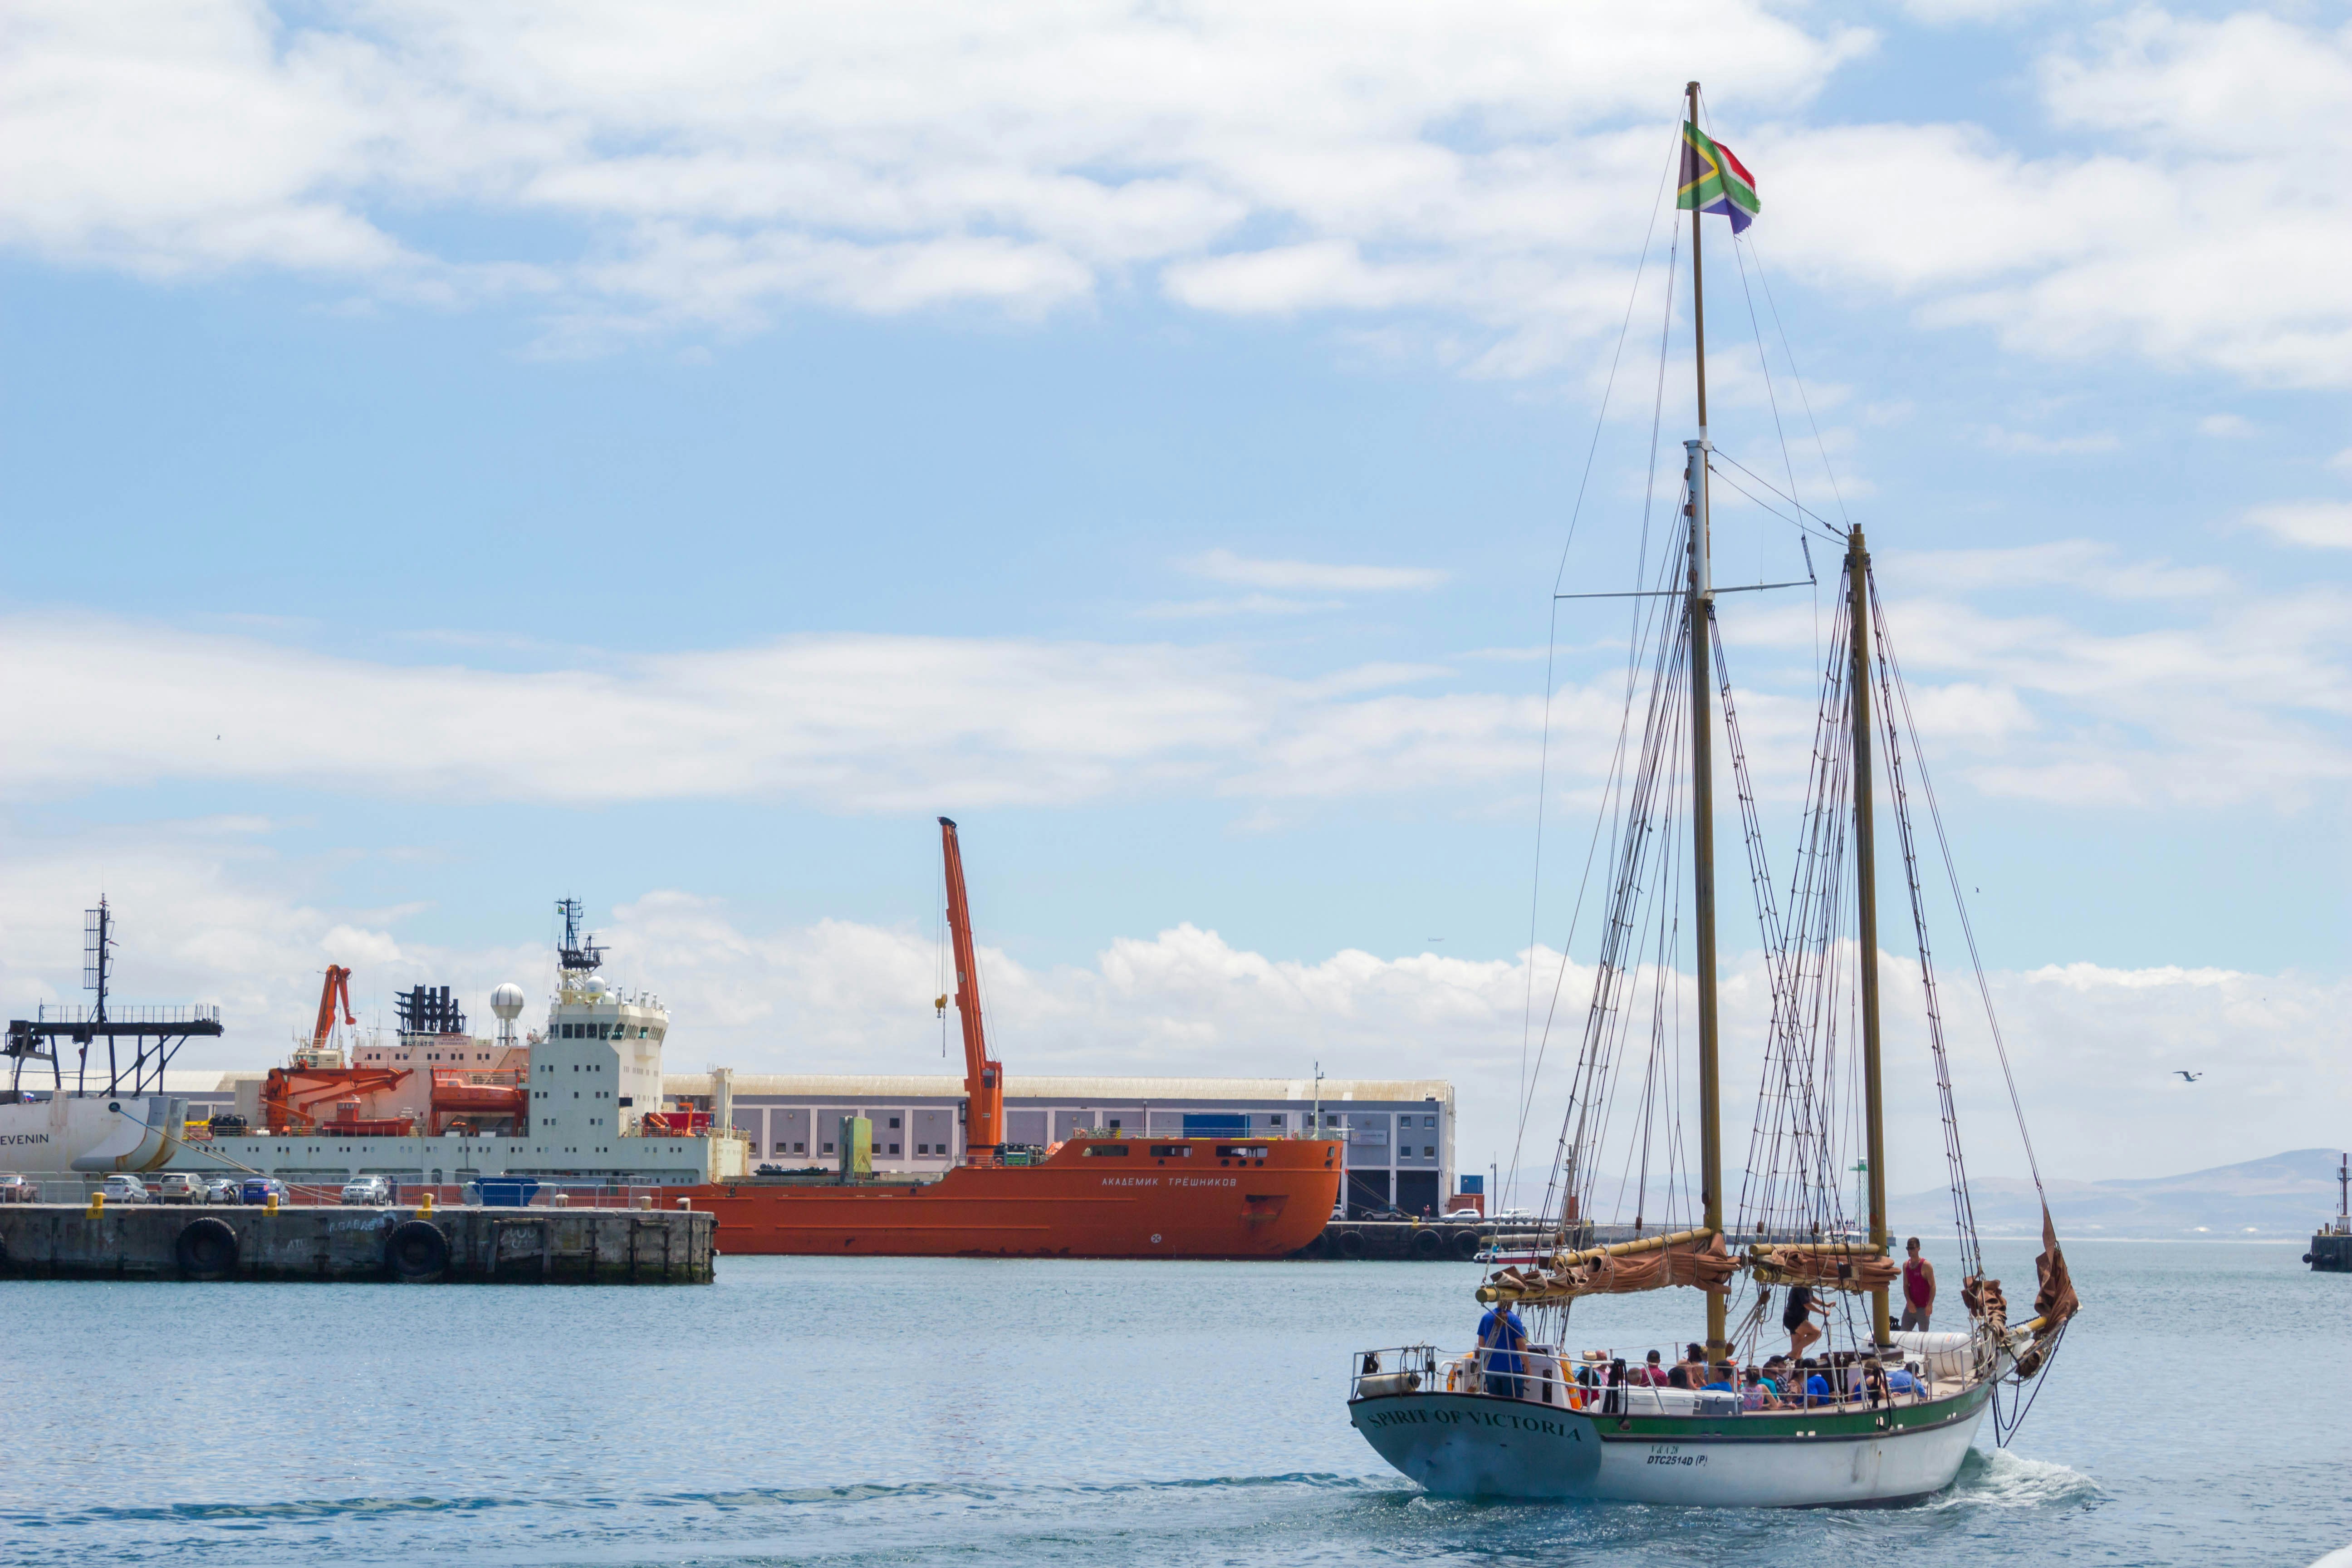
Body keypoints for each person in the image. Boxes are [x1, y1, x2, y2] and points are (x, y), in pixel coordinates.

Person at [1476, 1300, 1528, 1399]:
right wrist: (1528, 1369)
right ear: (1511, 1303)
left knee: (1495, 1403)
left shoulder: (1486, 1318)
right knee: (1513, 1403)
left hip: (1491, 1369)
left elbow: (1481, 1344)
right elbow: (1521, 1346)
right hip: (1512, 1370)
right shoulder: (1514, 1320)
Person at [1901, 1237, 1937, 1332]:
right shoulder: (1906, 1265)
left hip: (1923, 1309)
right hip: (1911, 1307)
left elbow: (1933, 1286)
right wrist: (1909, 1301)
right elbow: (1905, 1285)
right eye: (1908, 1248)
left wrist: (1930, 1304)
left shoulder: (1926, 1266)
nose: (1910, 1251)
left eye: (1912, 1248)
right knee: (1903, 1332)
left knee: (1923, 1336)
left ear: (1919, 1249)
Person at [1784, 1283, 1827, 1358]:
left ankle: (1793, 1365)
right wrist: (1823, 1313)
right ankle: (1791, 1354)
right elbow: (1807, 1304)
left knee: (1798, 1354)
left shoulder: (1807, 1285)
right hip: (1795, 1319)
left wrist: (1826, 1305)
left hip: (1794, 1318)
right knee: (1817, 1334)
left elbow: (1811, 1298)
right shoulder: (1802, 1285)